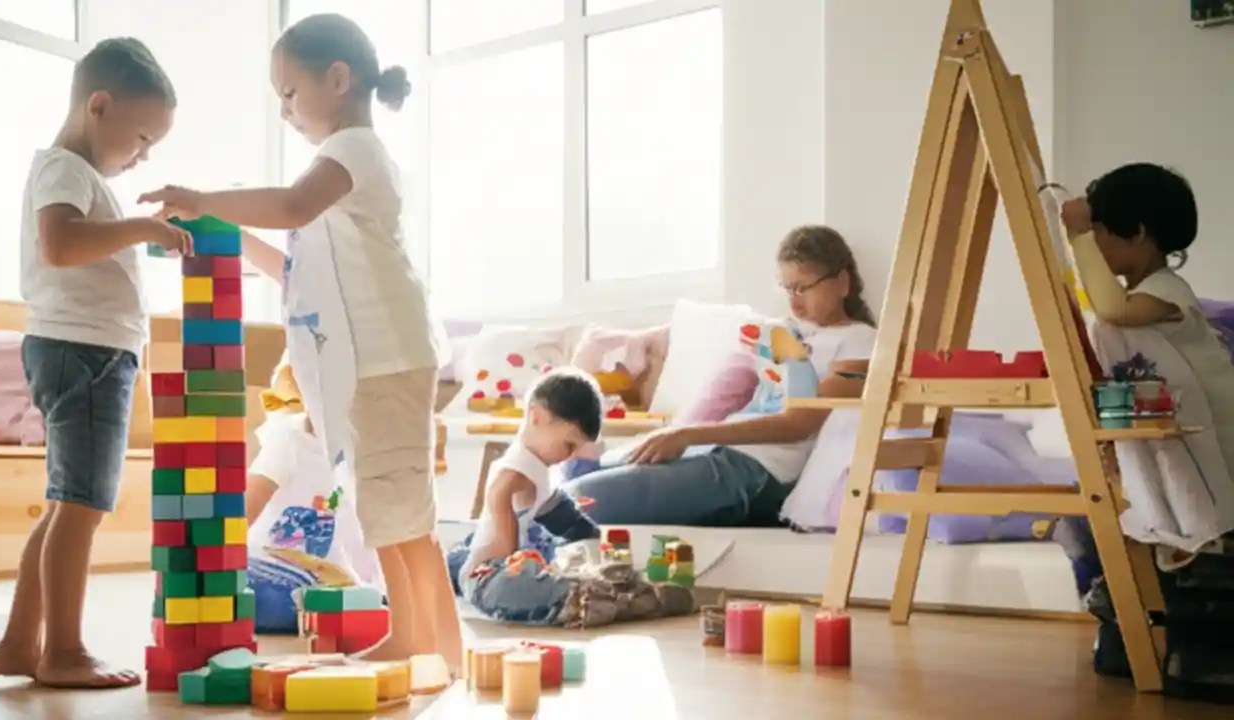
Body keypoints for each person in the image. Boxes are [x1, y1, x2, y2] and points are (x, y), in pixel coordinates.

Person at [139, 13, 461, 669]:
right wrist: (211, 225)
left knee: (400, 511)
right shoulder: (334, 176)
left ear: (338, 79)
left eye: (289, 92)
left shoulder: (351, 152)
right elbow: (288, 271)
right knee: (390, 510)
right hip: (368, 365)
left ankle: (429, 641)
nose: (284, 109)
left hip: (387, 359)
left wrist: (203, 197)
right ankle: (429, 642)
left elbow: (289, 205)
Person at [0, 39, 187, 689]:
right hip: (85, 355)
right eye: (140, 137)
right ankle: (64, 651)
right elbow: (62, 245)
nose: (143, 155)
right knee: (81, 506)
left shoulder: (78, 176)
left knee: (65, 504)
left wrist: (139, 234)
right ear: (98, 106)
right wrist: (141, 229)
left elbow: (81, 248)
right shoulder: (67, 169)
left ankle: (22, 642)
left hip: (85, 352)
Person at [565, 225, 875, 526]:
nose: (794, 302)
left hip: (761, 471)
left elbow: (799, 424)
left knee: (582, 500)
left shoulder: (861, 341)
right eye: (788, 288)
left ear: (842, 282)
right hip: (720, 452)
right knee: (577, 474)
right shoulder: (782, 330)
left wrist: (688, 435)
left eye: (803, 288)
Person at [1060, 163, 1234, 570]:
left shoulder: (1166, 291)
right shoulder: (1143, 293)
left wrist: (1078, 237)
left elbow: (1112, 309)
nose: (1093, 246)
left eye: (1099, 232)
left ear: (1136, 233)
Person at [451, 370, 606, 623]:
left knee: (560, 557)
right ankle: (581, 597)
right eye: (569, 444)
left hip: (512, 560)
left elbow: (558, 512)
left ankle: (456, 565)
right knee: (541, 587)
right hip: (489, 574)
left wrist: (596, 538)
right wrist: (507, 554)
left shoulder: (537, 467)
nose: (570, 455)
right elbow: (498, 495)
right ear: (536, 416)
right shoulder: (516, 470)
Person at [246, 362, 383, 634]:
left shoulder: (362, 453)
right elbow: (242, 512)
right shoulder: (290, 440)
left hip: (324, 580)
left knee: (369, 604)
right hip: (264, 566)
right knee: (273, 603)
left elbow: (367, 540)